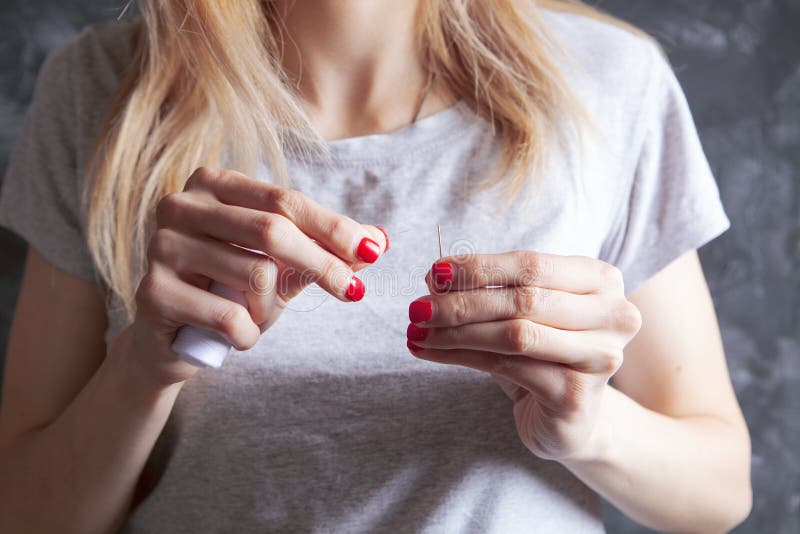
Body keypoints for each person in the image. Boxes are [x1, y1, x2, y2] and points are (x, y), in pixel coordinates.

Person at [0, 1, 752, 532]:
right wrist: (144, 364)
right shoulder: (101, 92)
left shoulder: (609, 84)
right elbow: (27, 516)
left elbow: (719, 492)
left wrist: (588, 425)